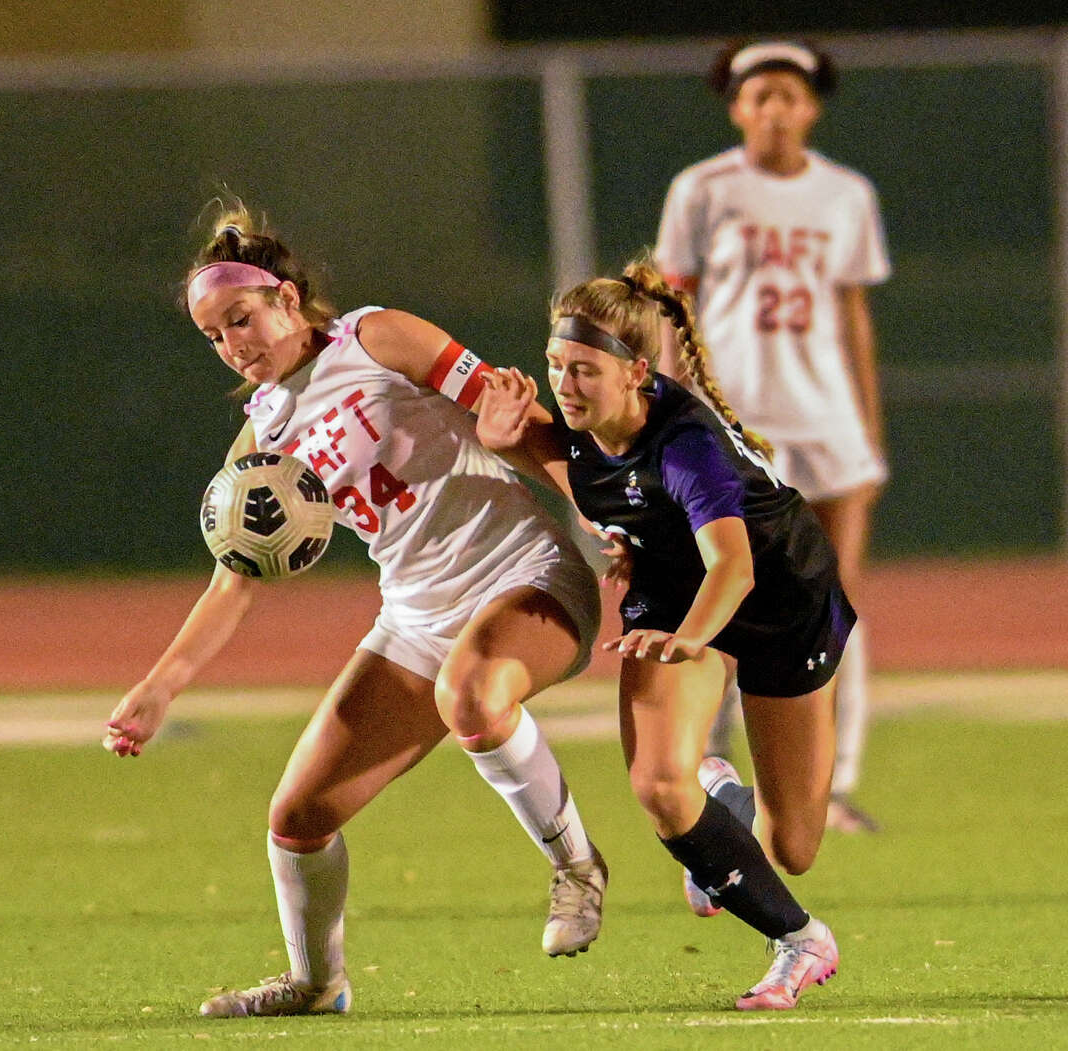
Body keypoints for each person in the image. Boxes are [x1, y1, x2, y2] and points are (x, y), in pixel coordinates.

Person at [102, 206, 607, 1018]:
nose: (233, 342)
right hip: (416, 613)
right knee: (298, 817)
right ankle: (315, 982)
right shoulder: (262, 442)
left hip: (526, 572)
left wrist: (596, 513)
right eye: (213, 334)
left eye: (241, 316)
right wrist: (160, 688)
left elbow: (518, 424)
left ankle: (578, 866)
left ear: (290, 301)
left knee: (474, 694)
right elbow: (235, 583)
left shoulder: (377, 338)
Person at [476, 260, 848, 1011]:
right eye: (555, 365)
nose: (563, 384)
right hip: (678, 592)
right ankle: (801, 942)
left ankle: (732, 807)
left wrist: (688, 639)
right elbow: (579, 479)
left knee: (793, 845)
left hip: (778, 596)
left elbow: (735, 568)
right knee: (657, 786)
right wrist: (498, 440)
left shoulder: (687, 446)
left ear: (637, 372)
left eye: (582, 369)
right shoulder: (579, 428)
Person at [653, 40, 890, 833]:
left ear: (812, 107)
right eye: (761, 96)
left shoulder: (845, 193)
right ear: (737, 108)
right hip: (735, 422)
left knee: (835, 602)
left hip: (825, 421)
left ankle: (835, 783)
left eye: (790, 95)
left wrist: (870, 426)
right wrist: (668, 414)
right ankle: (720, 772)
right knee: (727, 596)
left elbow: (853, 313)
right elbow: (670, 307)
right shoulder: (703, 187)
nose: (776, 109)